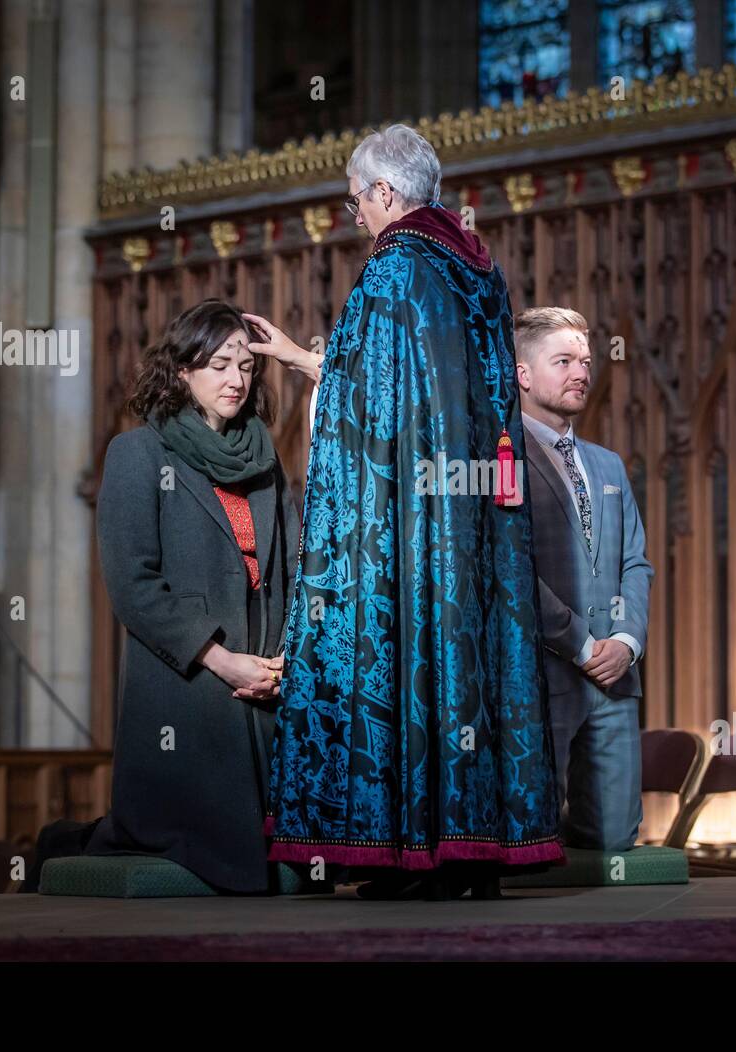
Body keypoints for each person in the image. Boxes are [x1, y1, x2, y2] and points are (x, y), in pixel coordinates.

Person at [246, 125, 563, 900]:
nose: (355, 214)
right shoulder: (476, 270)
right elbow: (435, 391)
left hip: (411, 522)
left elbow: (369, 408)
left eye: (357, 199)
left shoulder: (393, 267)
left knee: (398, 643)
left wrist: (321, 386)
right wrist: (303, 357)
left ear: (385, 193)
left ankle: (409, 849)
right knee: (465, 662)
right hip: (471, 521)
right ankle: (466, 849)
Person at [74, 298, 301, 893]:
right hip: (189, 686)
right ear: (183, 372)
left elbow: (295, 571)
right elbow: (133, 586)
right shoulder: (137, 453)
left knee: (290, 868)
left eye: (246, 367)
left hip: (263, 680)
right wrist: (222, 661)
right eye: (220, 365)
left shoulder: (263, 459)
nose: (236, 379)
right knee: (223, 855)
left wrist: (281, 661)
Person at [514, 306, 653, 851]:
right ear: (522, 373)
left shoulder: (608, 465)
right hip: (546, 671)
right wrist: (578, 642)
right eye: (564, 360)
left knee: (614, 837)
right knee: (534, 833)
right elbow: (510, 570)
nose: (582, 373)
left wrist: (626, 641)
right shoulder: (502, 459)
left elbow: (635, 562)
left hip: (614, 674)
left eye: (586, 361)